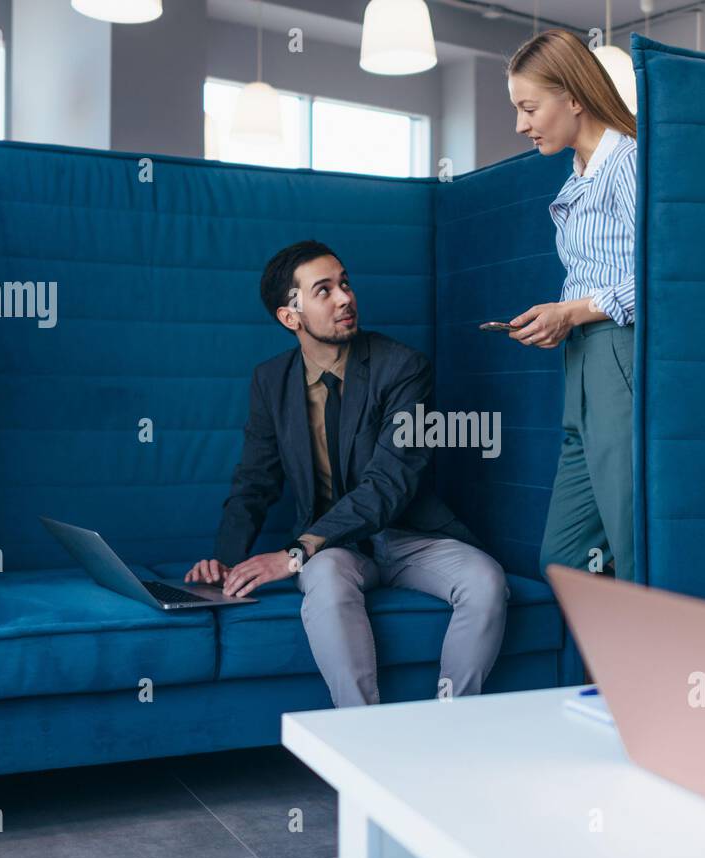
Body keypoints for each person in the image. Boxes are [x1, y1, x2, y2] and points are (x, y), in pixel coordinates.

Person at [184, 240, 509, 708]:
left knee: (485, 581)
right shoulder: (270, 381)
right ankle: (361, 735)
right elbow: (255, 481)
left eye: (345, 283)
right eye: (324, 290)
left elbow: (390, 482)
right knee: (328, 581)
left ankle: (451, 726)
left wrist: (295, 552)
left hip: (406, 534)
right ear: (290, 316)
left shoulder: (403, 368)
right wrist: (225, 563)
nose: (345, 298)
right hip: (331, 547)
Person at [506, 29, 638, 582]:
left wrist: (576, 311)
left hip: (620, 360)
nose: (520, 125)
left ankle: (662, 666)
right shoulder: (578, 175)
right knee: (562, 560)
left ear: (575, 98)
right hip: (581, 365)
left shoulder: (629, 163)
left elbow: (665, 278)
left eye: (529, 107)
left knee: (636, 548)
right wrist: (558, 318)